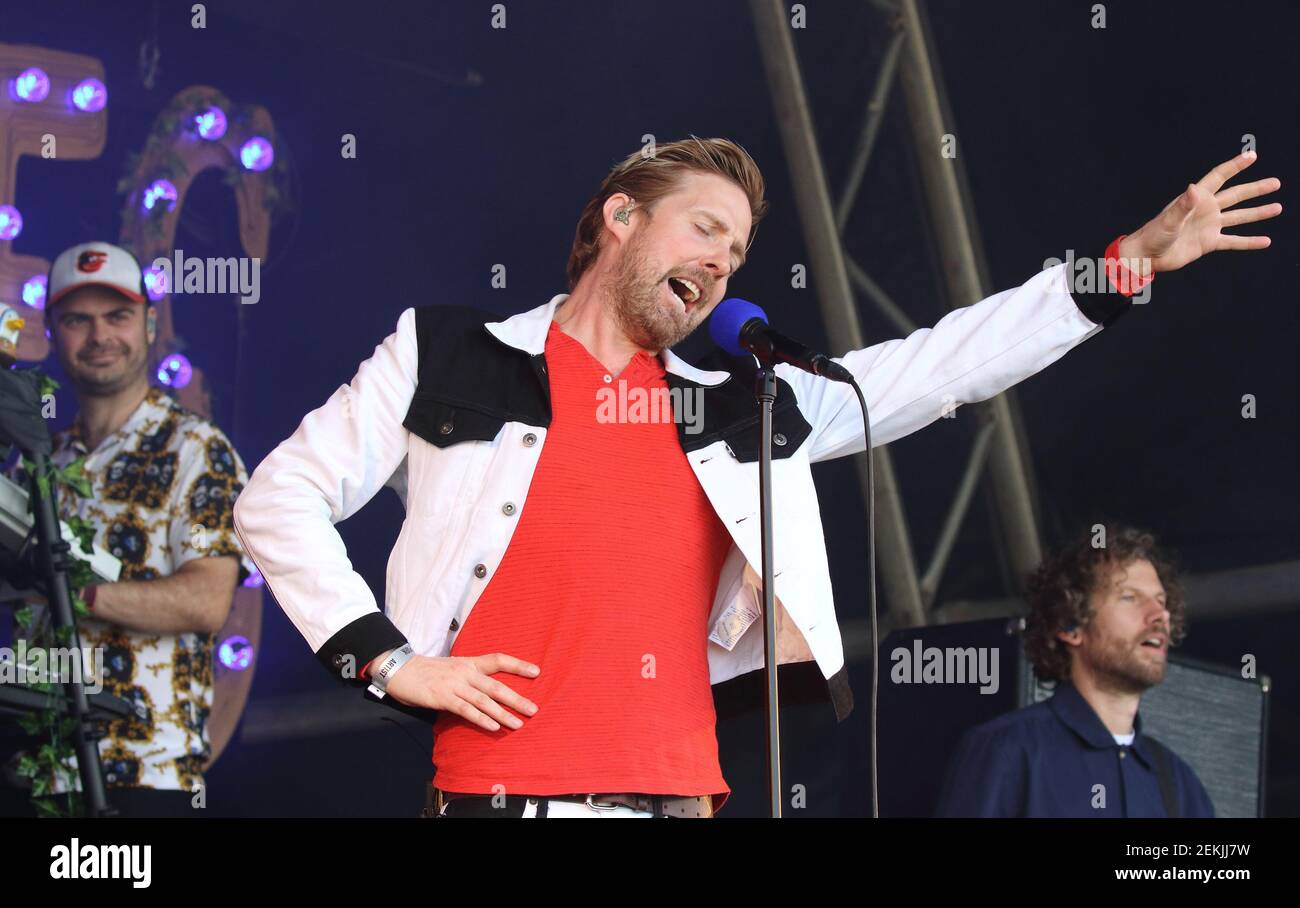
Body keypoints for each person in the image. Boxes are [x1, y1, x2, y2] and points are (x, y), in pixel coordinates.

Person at [233, 137, 1278, 818]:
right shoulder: (452, 353)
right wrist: (388, 661)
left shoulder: (738, 406)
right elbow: (278, 498)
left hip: (683, 800)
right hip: (503, 796)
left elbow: (934, 367)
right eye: (705, 230)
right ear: (620, 218)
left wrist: (1120, 270)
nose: (722, 264)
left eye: (736, 253)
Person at [5, 241, 256, 817]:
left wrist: (71, 592)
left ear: (148, 325)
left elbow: (206, 601)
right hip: (36, 770)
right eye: (78, 320)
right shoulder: (37, 460)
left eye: (116, 315)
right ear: (52, 333)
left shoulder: (196, 447)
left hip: (147, 771)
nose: (99, 336)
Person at [935, 524, 1215, 817]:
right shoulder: (1008, 750)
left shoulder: (1181, 785)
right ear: (1070, 627)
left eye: (1161, 601)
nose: (1160, 615)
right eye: (1130, 598)